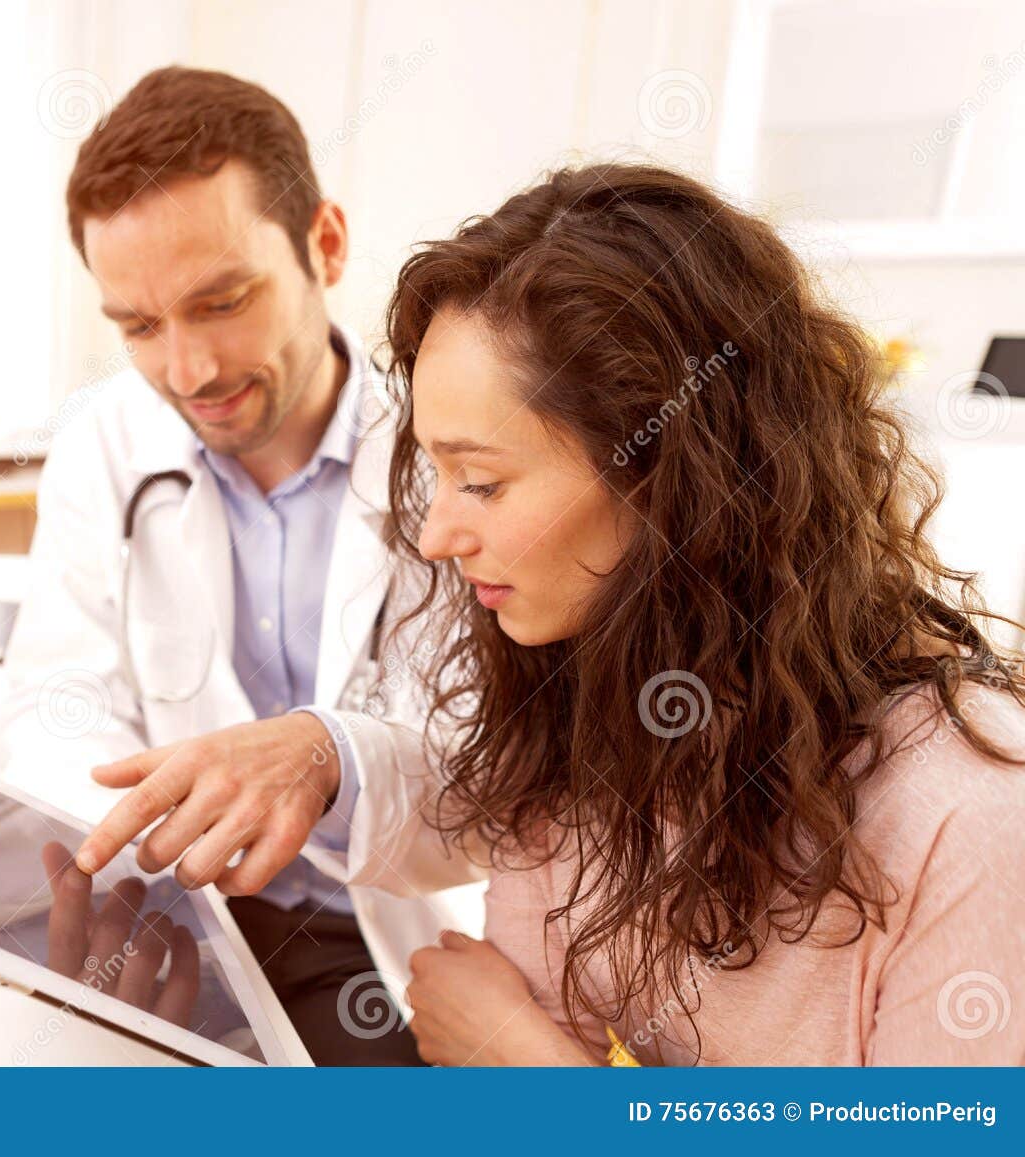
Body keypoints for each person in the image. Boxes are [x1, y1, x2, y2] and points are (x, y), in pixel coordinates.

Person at [323, 162, 1025, 1065]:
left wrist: (523, 1057)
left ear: (672, 479)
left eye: (484, 482)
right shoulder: (588, 705)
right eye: (438, 473)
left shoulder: (970, 818)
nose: (438, 536)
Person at [0, 66, 479, 1065]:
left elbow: (485, 771)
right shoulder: (104, 441)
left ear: (324, 244)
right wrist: (77, 838)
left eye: (222, 302)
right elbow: (57, 690)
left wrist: (326, 753)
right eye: (139, 326)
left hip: (374, 941)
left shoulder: (449, 447)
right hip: (179, 923)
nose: (189, 370)